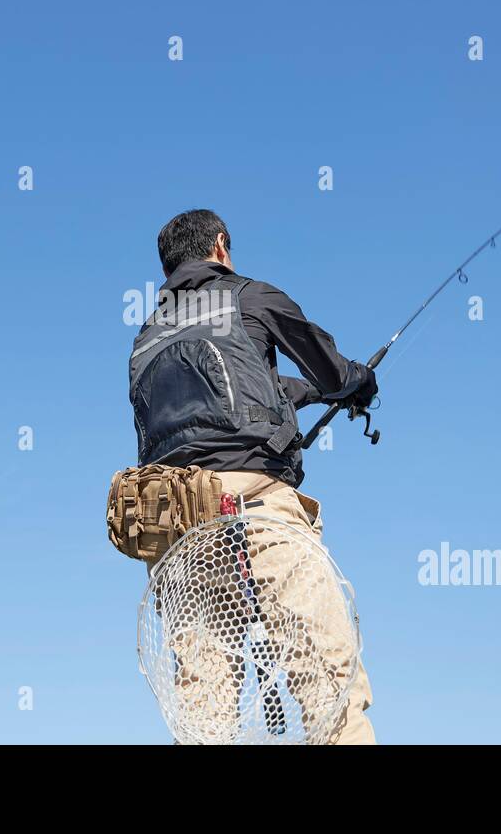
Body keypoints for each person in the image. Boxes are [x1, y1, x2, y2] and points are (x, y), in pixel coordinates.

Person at [128, 209, 378, 744]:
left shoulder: (148, 335)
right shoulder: (250, 296)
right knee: (327, 682)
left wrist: (309, 394)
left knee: (205, 708)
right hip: (258, 510)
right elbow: (330, 369)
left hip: (180, 534)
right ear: (220, 244)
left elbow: (237, 394)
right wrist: (359, 382)